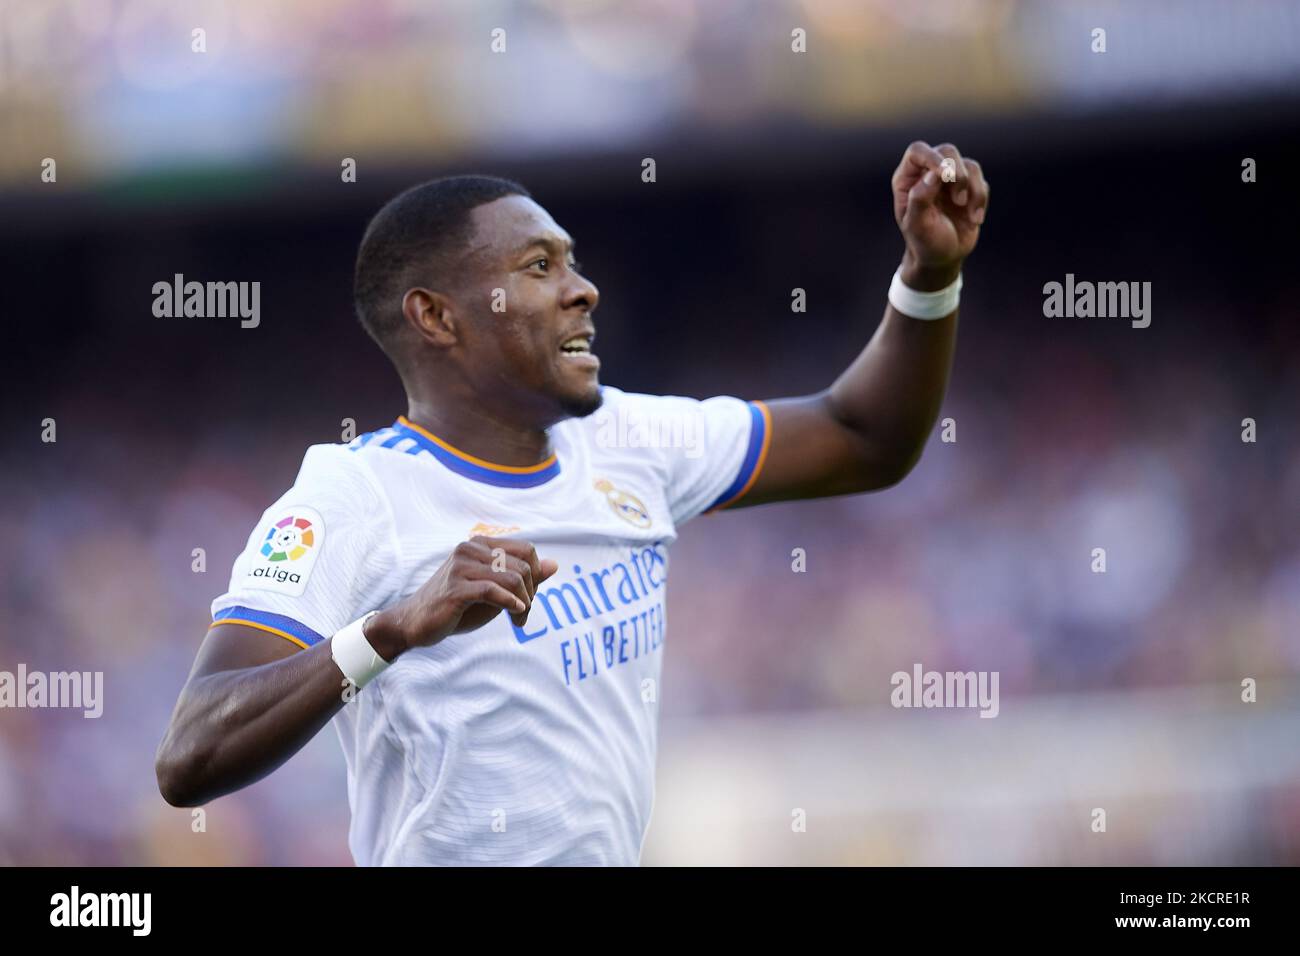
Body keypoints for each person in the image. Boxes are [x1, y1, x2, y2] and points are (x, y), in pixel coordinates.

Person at [156, 141, 989, 865]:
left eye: (573, 260)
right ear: (436, 316)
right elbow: (192, 754)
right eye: (538, 266)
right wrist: (394, 628)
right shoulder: (354, 496)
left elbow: (865, 436)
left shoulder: (630, 440)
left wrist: (929, 275)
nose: (583, 289)